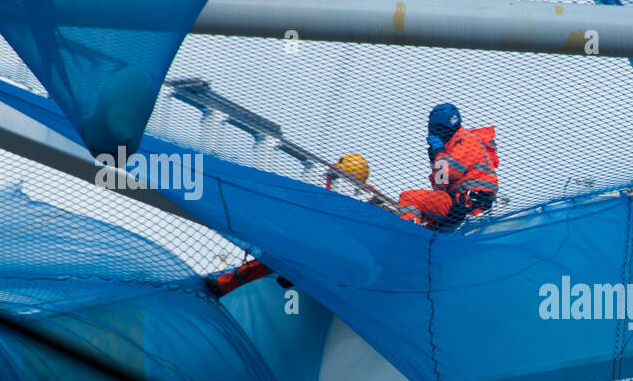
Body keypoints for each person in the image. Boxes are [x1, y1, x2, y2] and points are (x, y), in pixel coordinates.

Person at [205, 154, 370, 298]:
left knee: (270, 260)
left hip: (313, 243)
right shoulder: (363, 199)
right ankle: (293, 274)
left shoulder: (340, 195)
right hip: (320, 245)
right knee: (275, 259)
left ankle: (224, 286)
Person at [397, 103, 498, 232]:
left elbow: (450, 171)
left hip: (471, 204)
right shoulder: (449, 148)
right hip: (457, 205)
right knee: (426, 224)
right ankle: (416, 240)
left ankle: (407, 235)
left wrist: (439, 152)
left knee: (408, 197)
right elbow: (440, 186)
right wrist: (436, 158)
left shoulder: (466, 140)